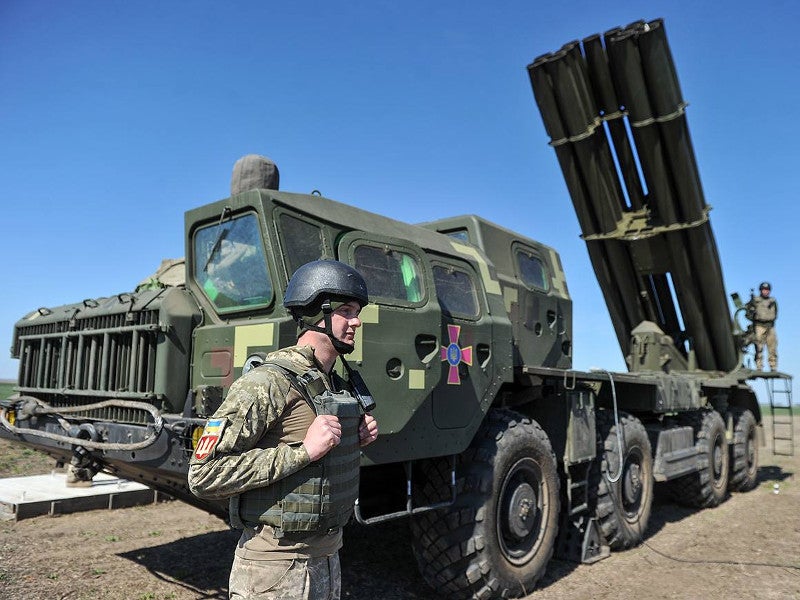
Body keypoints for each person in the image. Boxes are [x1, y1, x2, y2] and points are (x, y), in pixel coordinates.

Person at [188, 259, 379, 600]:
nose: (357, 321)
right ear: (317, 313)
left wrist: (355, 439)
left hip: (326, 557)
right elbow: (203, 474)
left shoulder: (333, 382)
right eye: (347, 310)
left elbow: (320, 468)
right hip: (275, 569)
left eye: (358, 311)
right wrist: (303, 451)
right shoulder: (266, 382)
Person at [747, 281, 778, 370]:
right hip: (759, 326)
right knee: (759, 347)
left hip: (770, 326)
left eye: (767, 290)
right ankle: (759, 366)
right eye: (764, 289)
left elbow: (775, 313)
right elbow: (748, 312)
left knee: (772, 348)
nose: (766, 291)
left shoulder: (772, 301)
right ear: (760, 290)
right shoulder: (755, 301)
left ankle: (773, 366)